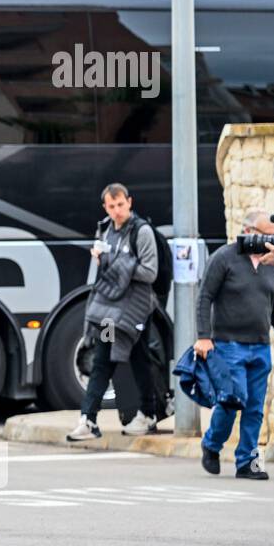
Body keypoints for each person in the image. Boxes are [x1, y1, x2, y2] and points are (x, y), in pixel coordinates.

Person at [194, 209, 274, 480]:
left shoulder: (272, 263)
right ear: (249, 232)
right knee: (234, 399)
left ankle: (246, 462)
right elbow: (204, 298)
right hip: (228, 344)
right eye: (266, 235)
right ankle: (212, 444)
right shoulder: (224, 258)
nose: (272, 241)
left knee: (254, 406)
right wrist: (204, 336)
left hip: (260, 345)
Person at [67, 183, 162, 441]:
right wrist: (106, 261)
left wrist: (115, 262)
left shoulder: (141, 232)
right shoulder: (105, 230)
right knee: (109, 360)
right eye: (112, 206)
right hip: (111, 309)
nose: (117, 211)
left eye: (121, 205)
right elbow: (106, 271)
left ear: (129, 202)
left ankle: (137, 414)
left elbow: (150, 272)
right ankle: (96, 418)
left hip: (136, 308)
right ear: (105, 207)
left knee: (128, 361)